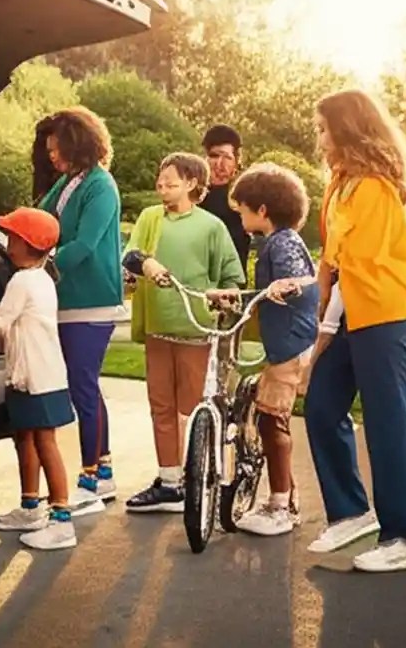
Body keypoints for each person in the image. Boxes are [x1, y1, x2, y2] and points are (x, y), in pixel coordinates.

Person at [303, 88, 406, 572]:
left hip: (381, 314)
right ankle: (351, 511)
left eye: (323, 128)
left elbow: (357, 267)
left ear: (347, 129)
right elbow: (332, 261)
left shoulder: (376, 188)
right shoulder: (341, 185)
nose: (318, 138)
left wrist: (323, 332)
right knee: (321, 406)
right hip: (351, 311)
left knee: (386, 422)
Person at [121, 153, 246, 512]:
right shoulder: (149, 218)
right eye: (160, 182)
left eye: (171, 183)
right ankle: (170, 482)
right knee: (160, 406)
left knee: (191, 409)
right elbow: (129, 256)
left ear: (192, 184)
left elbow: (232, 278)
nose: (162, 188)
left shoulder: (211, 227)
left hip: (195, 329)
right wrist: (146, 262)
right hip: (158, 328)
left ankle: (196, 481)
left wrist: (223, 296)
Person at [206, 162, 320, 535]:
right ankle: (286, 497)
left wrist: (287, 286)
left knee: (272, 420)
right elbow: (267, 296)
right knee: (268, 415)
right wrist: (238, 298)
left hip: (291, 345)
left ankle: (280, 506)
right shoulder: (273, 242)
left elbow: (301, 282)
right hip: (287, 342)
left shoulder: (282, 243)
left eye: (242, 210)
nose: (239, 216)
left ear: (263, 211)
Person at [35, 108, 126, 515]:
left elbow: (86, 243)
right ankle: (100, 468)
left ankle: (96, 476)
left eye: (57, 147)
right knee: (80, 386)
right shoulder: (69, 183)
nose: (52, 155)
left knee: (83, 386)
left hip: (91, 300)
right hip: (67, 299)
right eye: (50, 149)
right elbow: (43, 222)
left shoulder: (101, 186)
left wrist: (42, 268)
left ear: (78, 142)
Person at [0, 207, 78, 550]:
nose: (7, 242)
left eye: (12, 237)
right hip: (36, 375)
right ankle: (30, 506)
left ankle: (62, 520)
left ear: (25, 243)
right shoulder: (42, 278)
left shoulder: (23, 281)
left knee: (43, 442)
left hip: (35, 378)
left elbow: (2, 326)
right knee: (26, 438)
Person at [200, 124, 251, 281]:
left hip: (231, 281)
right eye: (214, 155)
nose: (219, 163)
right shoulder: (194, 194)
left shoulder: (245, 195)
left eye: (227, 157)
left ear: (236, 160)